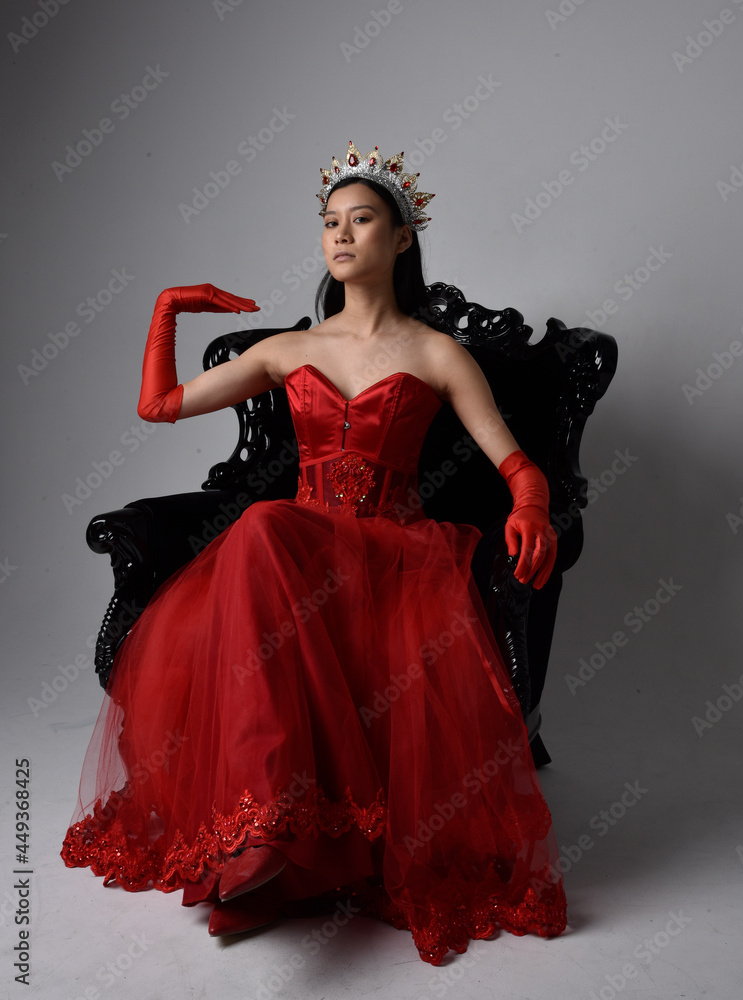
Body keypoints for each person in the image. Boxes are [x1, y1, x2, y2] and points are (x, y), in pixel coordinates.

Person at [61, 141, 567, 965]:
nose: (340, 235)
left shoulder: (438, 353)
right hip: (294, 554)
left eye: (361, 220)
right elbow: (159, 405)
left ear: (401, 239)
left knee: (260, 529)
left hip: (392, 559)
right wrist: (168, 307)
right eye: (330, 223)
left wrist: (533, 507)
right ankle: (263, 838)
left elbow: (512, 458)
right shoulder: (289, 351)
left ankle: (277, 849)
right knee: (263, 527)